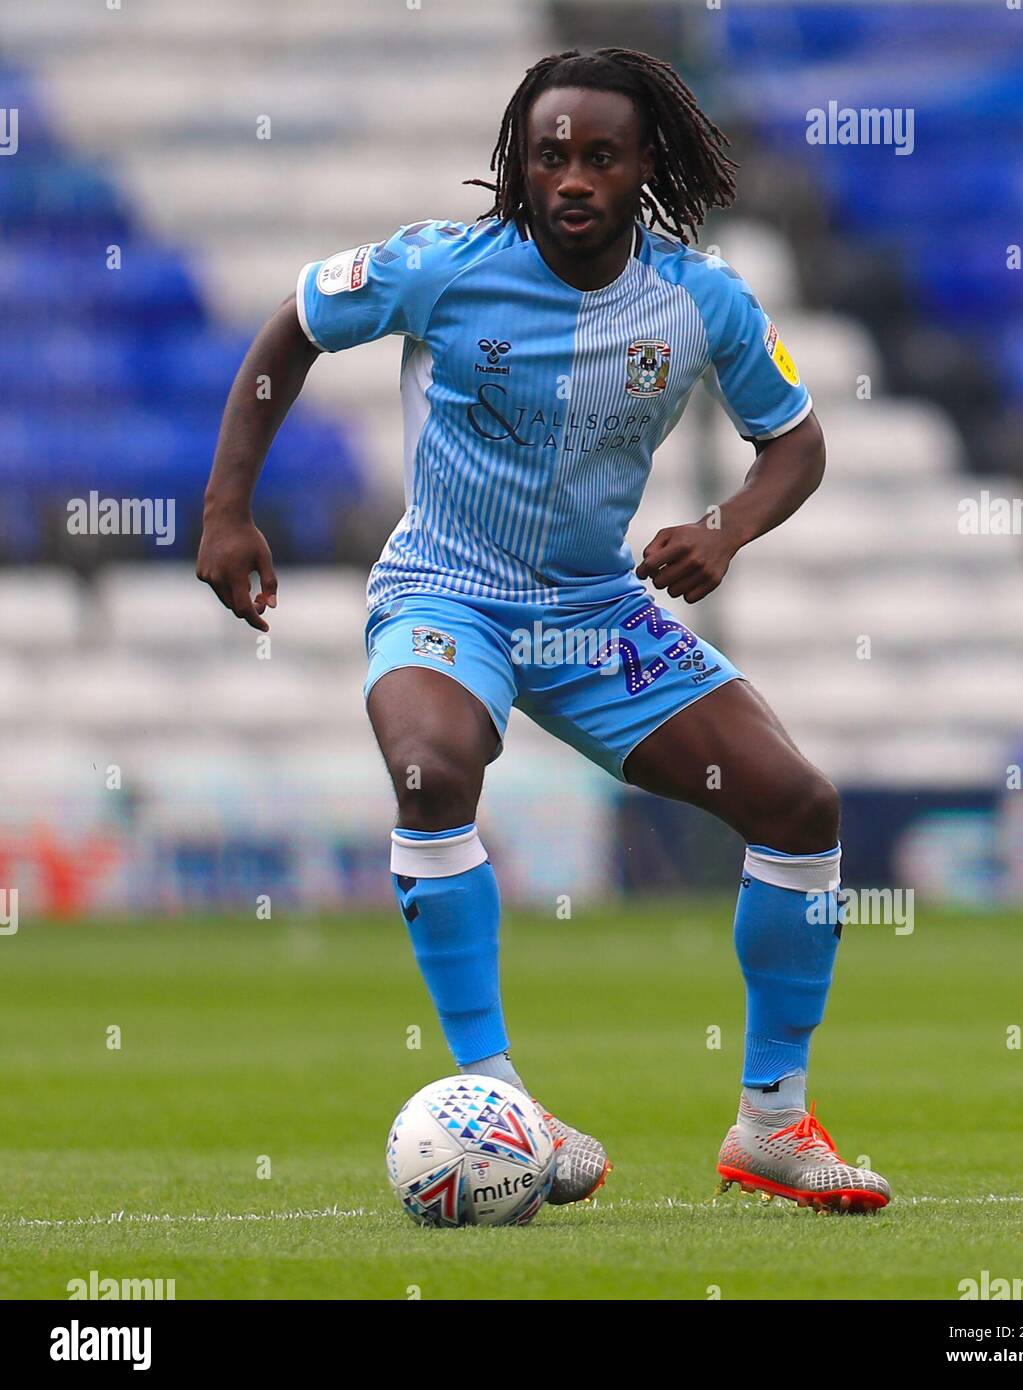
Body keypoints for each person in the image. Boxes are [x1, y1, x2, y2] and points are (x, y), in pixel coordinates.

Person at [197, 47, 891, 1214]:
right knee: (430, 769)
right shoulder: (443, 267)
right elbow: (291, 330)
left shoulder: (699, 298)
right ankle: (500, 1099)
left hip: (594, 613)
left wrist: (722, 530)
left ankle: (773, 1124)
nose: (572, 176)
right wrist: (226, 512)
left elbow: (799, 442)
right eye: (549, 154)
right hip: (446, 594)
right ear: (519, 167)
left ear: (645, 167)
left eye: (600, 156)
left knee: (800, 806)